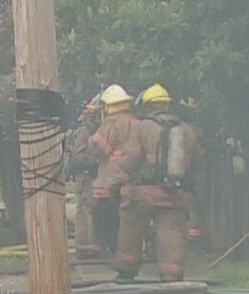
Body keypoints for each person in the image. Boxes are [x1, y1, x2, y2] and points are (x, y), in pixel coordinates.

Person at [117, 85, 199, 282]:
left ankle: (126, 270)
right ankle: (172, 273)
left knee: (131, 226)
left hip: (143, 192)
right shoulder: (186, 130)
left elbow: (130, 158)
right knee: (172, 232)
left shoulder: (142, 127)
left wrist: (127, 175)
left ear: (147, 106)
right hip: (174, 192)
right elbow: (195, 160)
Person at [88, 85, 145, 266]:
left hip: (109, 180)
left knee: (107, 217)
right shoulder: (138, 122)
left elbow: (98, 148)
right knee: (129, 219)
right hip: (134, 179)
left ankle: (113, 251)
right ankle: (132, 252)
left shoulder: (110, 123)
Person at [64, 96, 103, 258]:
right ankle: (89, 248)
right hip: (87, 177)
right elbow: (79, 157)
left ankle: (84, 247)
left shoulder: (85, 129)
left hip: (85, 177)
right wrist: (100, 160)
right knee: (88, 210)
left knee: (85, 210)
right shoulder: (85, 131)